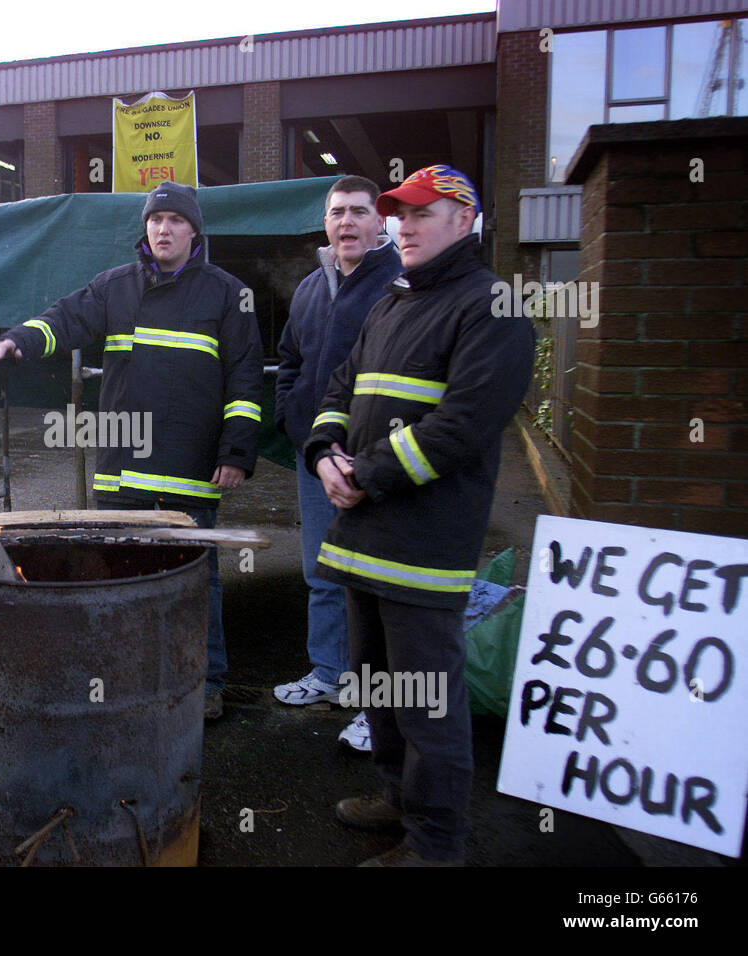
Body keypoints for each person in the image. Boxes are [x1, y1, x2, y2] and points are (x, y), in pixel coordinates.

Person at [303, 165, 532, 865]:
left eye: (421, 214)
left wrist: (364, 476)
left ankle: (435, 846)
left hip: (425, 547)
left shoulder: (492, 305)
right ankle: (396, 801)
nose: (404, 226)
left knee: (428, 704)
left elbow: (462, 425)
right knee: (377, 683)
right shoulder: (394, 300)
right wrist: (322, 453)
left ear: (464, 221)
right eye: (399, 215)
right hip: (365, 539)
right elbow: (343, 386)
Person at [0, 181, 263, 721]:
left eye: (175, 221)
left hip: (189, 470)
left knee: (194, 579)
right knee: (119, 574)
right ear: (145, 229)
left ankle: (205, 682)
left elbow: (246, 377)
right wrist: (20, 339)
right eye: (155, 220)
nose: (163, 229)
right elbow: (63, 319)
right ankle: (124, 676)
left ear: (194, 231)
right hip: (123, 471)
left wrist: (236, 450)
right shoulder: (113, 287)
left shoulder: (228, 294)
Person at [272, 176, 402, 757]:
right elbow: (290, 360)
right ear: (325, 223)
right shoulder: (308, 289)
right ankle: (327, 675)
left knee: (377, 586)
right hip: (314, 458)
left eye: (357, 212)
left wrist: (369, 455)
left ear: (380, 222)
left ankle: (379, 711)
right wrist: (296, 426)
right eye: (335, 213)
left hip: (375, 465)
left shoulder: (401, 286)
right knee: (321, 573)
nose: (345, 222)